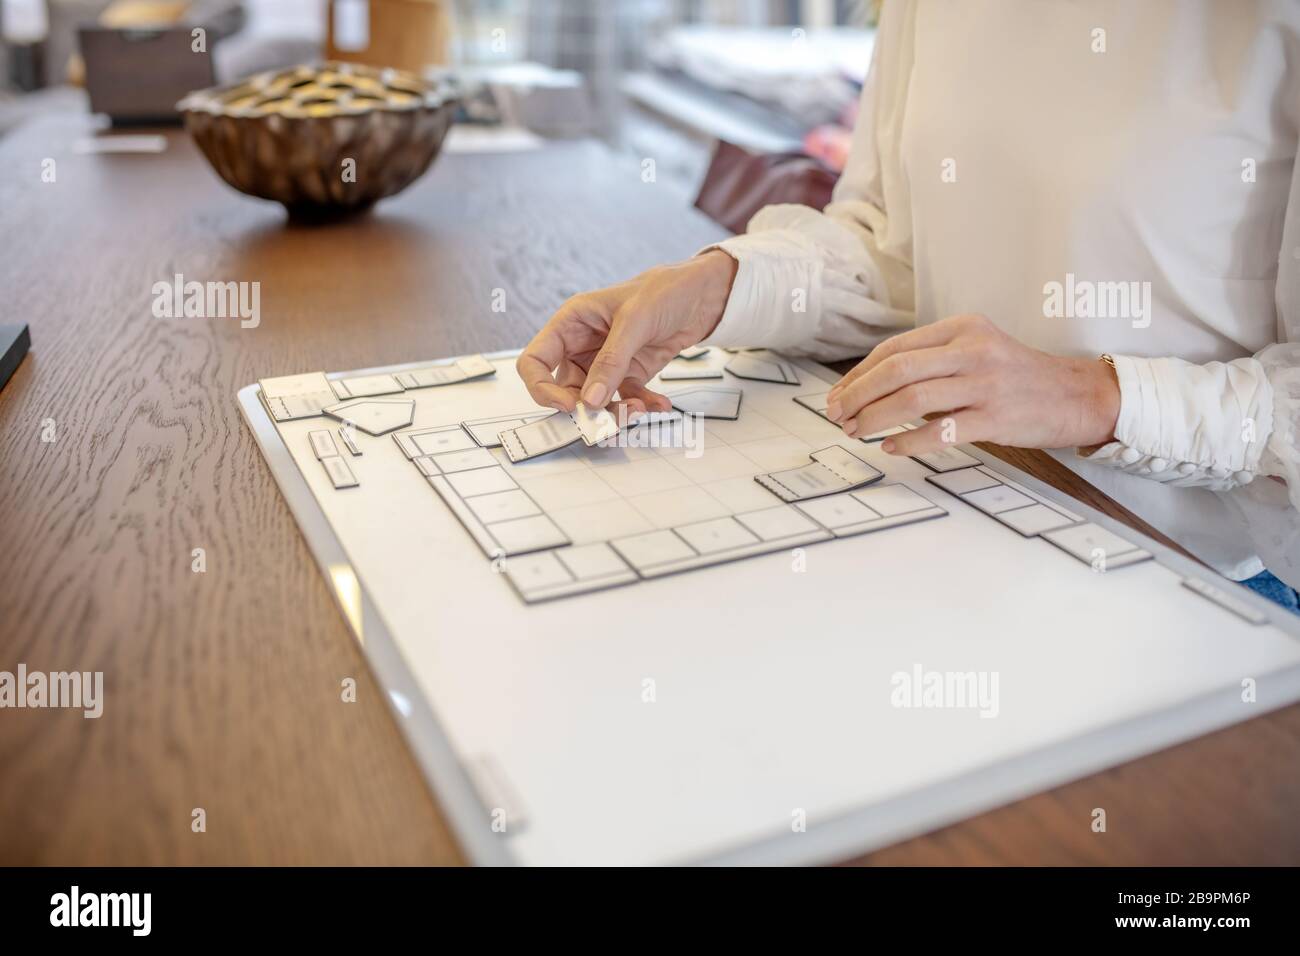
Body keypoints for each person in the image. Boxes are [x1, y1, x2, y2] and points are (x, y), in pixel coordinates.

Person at [517, 0, 1300, 609]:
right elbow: (894, 247)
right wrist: (722, 285)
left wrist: (1088, 397)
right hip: (963, 504)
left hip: (1201, 574)